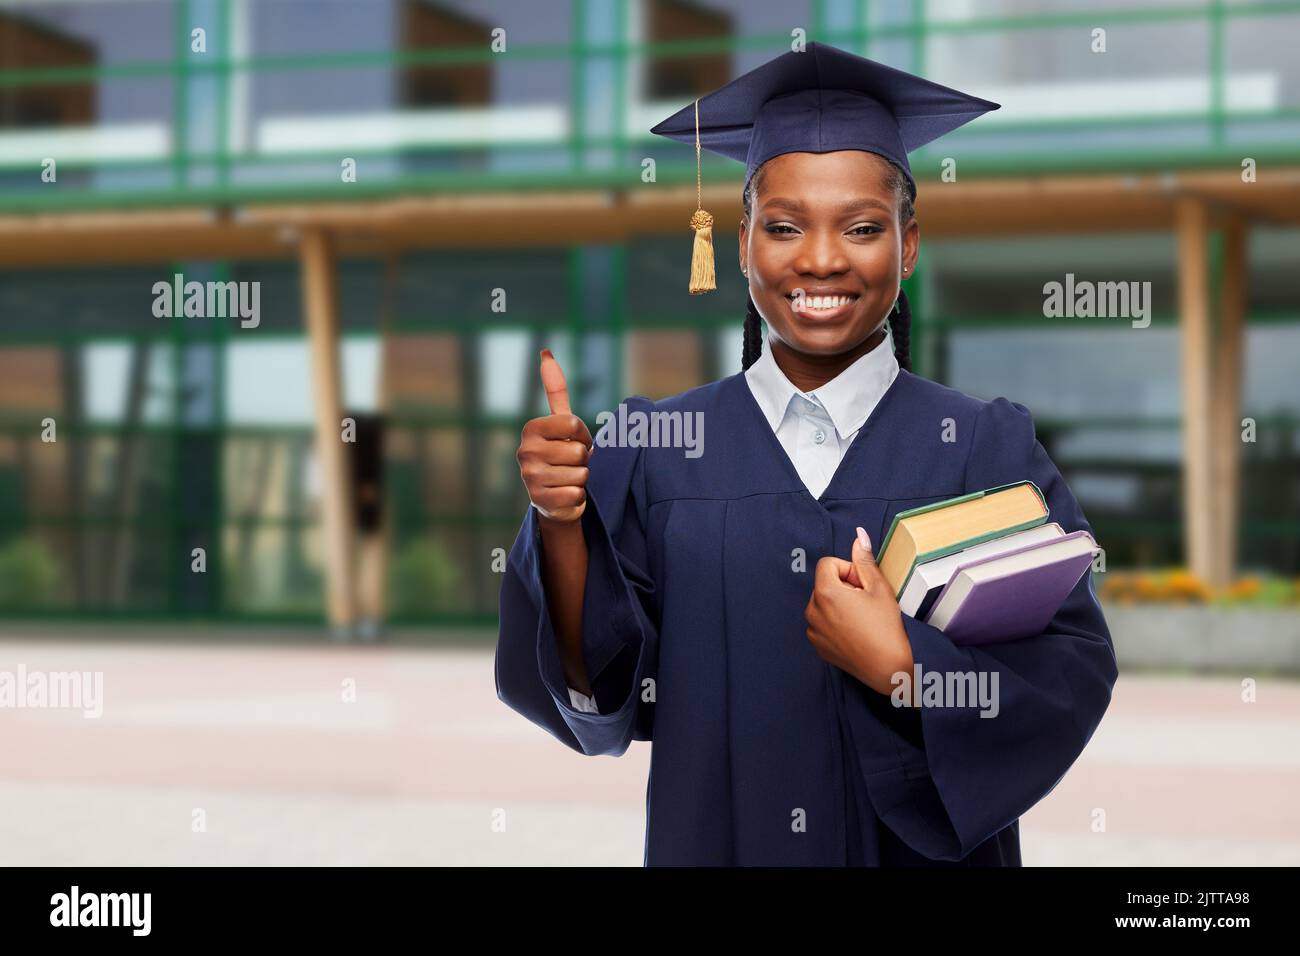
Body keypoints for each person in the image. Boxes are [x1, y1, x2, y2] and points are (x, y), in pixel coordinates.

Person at [495, 42, 1118, 866]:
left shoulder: (983, 446)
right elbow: (600, 689)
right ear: (743, 241)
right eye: (785, 227)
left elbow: (1068, 673)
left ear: (910, 245)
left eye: (862, 228)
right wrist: (562, 524)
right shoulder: (652, 448)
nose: (821, 259)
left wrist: (907, 668)